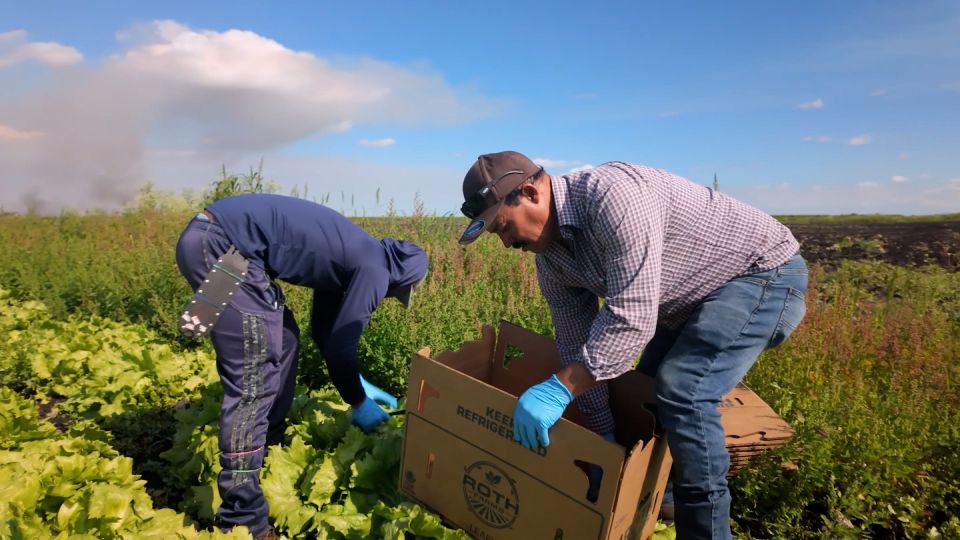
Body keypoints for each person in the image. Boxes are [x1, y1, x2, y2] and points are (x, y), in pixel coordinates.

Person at [457, 151, 807, 540]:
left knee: (684, 391)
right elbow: (577, 344)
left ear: (529, 193)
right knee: (643, 401)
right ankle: (656, 505)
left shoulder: (613, 197)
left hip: (761, 276)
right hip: (683, 301)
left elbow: (633, 317)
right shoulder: (552, 261)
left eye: (504, 227)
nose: (506, 243)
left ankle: (705, 531)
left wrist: (558, 389)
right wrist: (603, 438)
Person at [175, 193, 428, 540]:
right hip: (223, 247)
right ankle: (243, 519)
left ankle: (268, 444)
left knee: (284, 338)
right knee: (254, 373)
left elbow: (325, 334)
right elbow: (340, 346)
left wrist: (357, 380)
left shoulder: (355, 257)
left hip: (218, 243)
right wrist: (358, 401)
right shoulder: (376, 270)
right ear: (401, 276)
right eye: (396, 292)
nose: (388, 295)